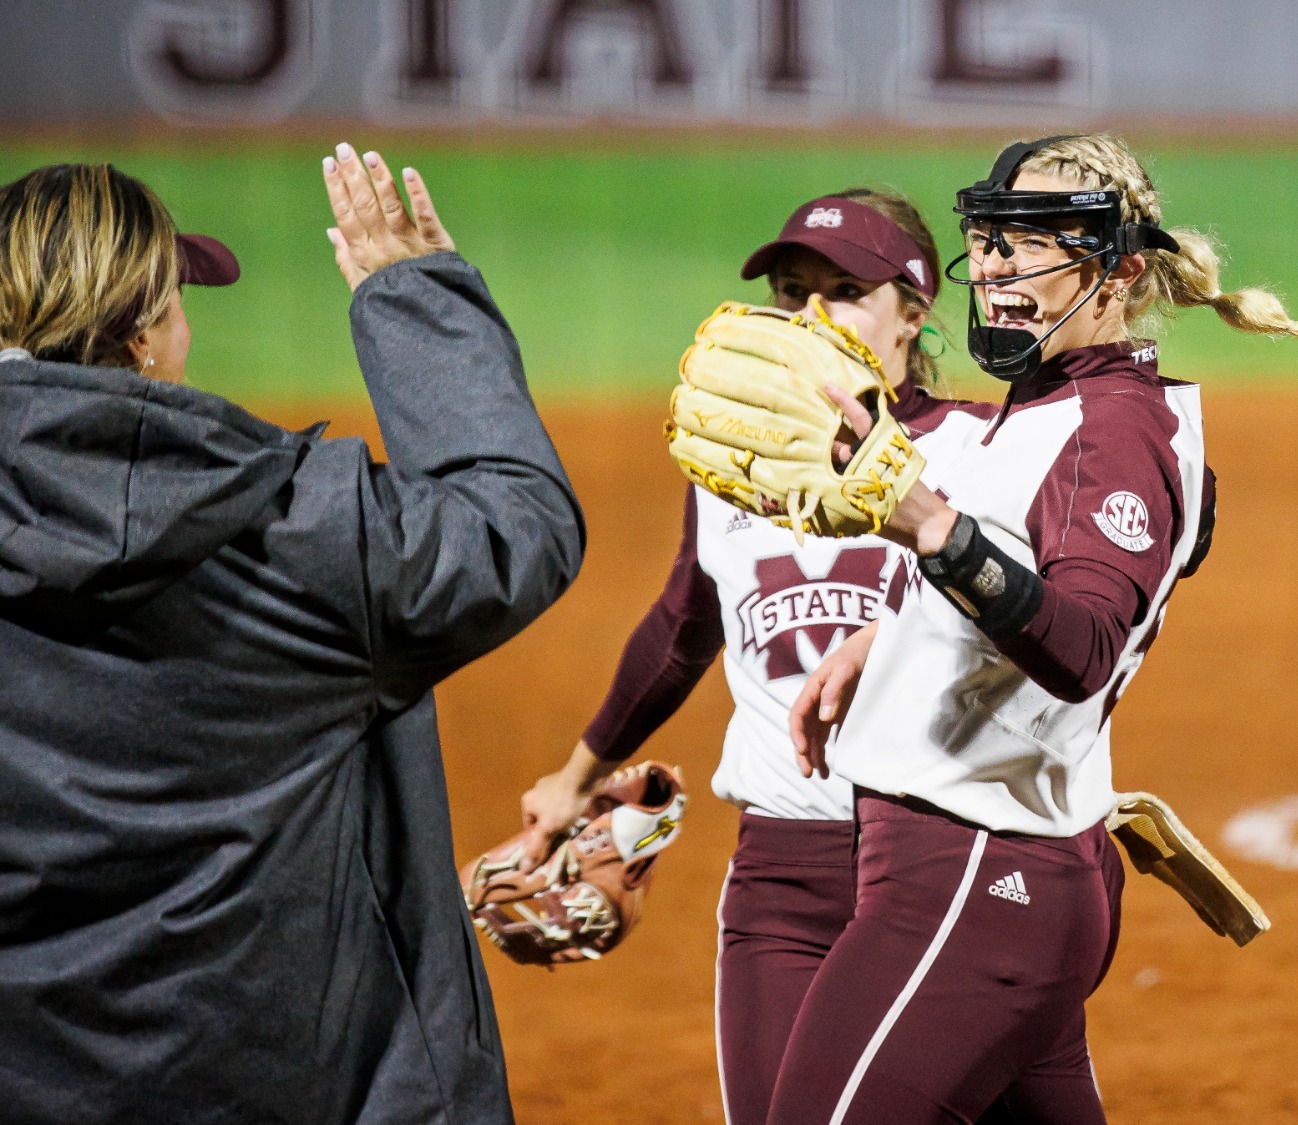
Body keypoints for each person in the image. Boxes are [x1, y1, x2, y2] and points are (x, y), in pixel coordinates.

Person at [776, 133, 1298, 1124]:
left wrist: (932, 532)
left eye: (1030, 244)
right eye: (986, 240)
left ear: (1121, 272)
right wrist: (888, 640)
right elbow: (1015, 564)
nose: (990, 267)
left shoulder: (1113, 432)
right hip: (1003, 870)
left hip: (974, 878)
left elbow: (1080, 645)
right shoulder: (1045, 411)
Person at [0, 148, 583, 1124]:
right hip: (306, 1084)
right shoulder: (297, 530)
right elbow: (513, 529)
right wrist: (415, 295)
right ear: (145, 331)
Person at [514, 188, 997, 1125]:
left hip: (945, 867)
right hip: (783, 874)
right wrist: (577, 776)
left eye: (845, 289)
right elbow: (687, 618)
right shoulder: (735, 458)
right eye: (790, 289)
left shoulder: (979, 451)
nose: (809, 314)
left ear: (915, 308)